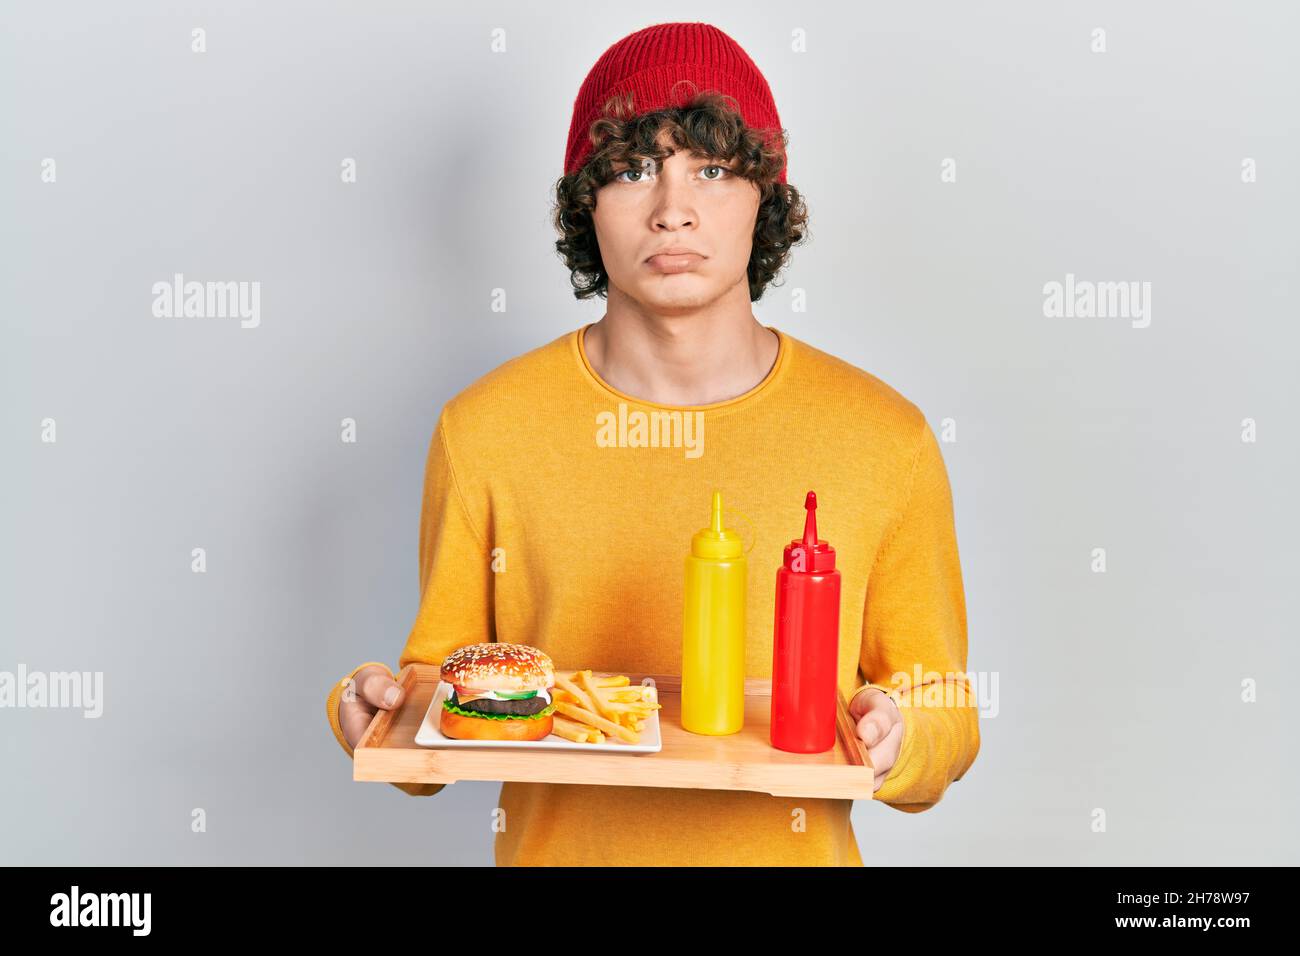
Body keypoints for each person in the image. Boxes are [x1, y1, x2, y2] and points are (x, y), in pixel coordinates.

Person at [326, 21, 979, 866]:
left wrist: (903, 736)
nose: (674, 209)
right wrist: (364, 708)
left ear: (765, 199)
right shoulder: (483, 430)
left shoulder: (885, 438)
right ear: (584, 205)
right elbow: (440, 707)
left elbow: (944, 707)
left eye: (712, 169)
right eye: (633, 170)